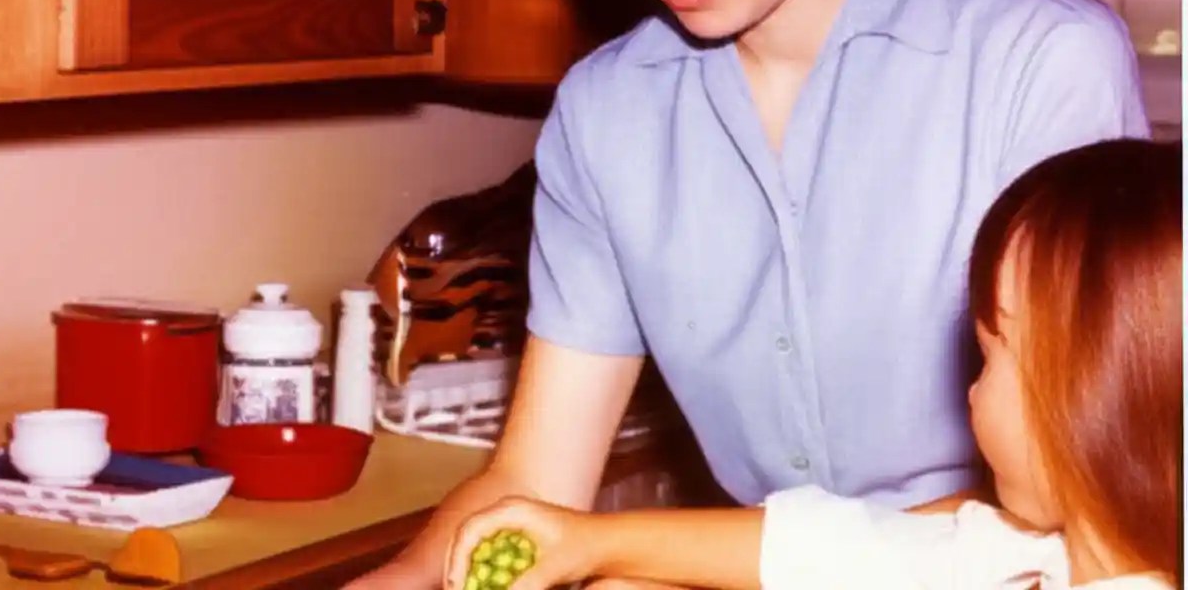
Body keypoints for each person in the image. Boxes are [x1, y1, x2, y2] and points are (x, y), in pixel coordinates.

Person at [347, 0, 1150, 585]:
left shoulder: (1039, 59)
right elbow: (534, 484)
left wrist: (630, 552)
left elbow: (1082, 485)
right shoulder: (605, 113)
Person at [444, 138, 1183, 590]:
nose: (970, 387)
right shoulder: (1026, 555)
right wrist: (589, 541)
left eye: (993, 353)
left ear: (1092, 397)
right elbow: (840, 548)